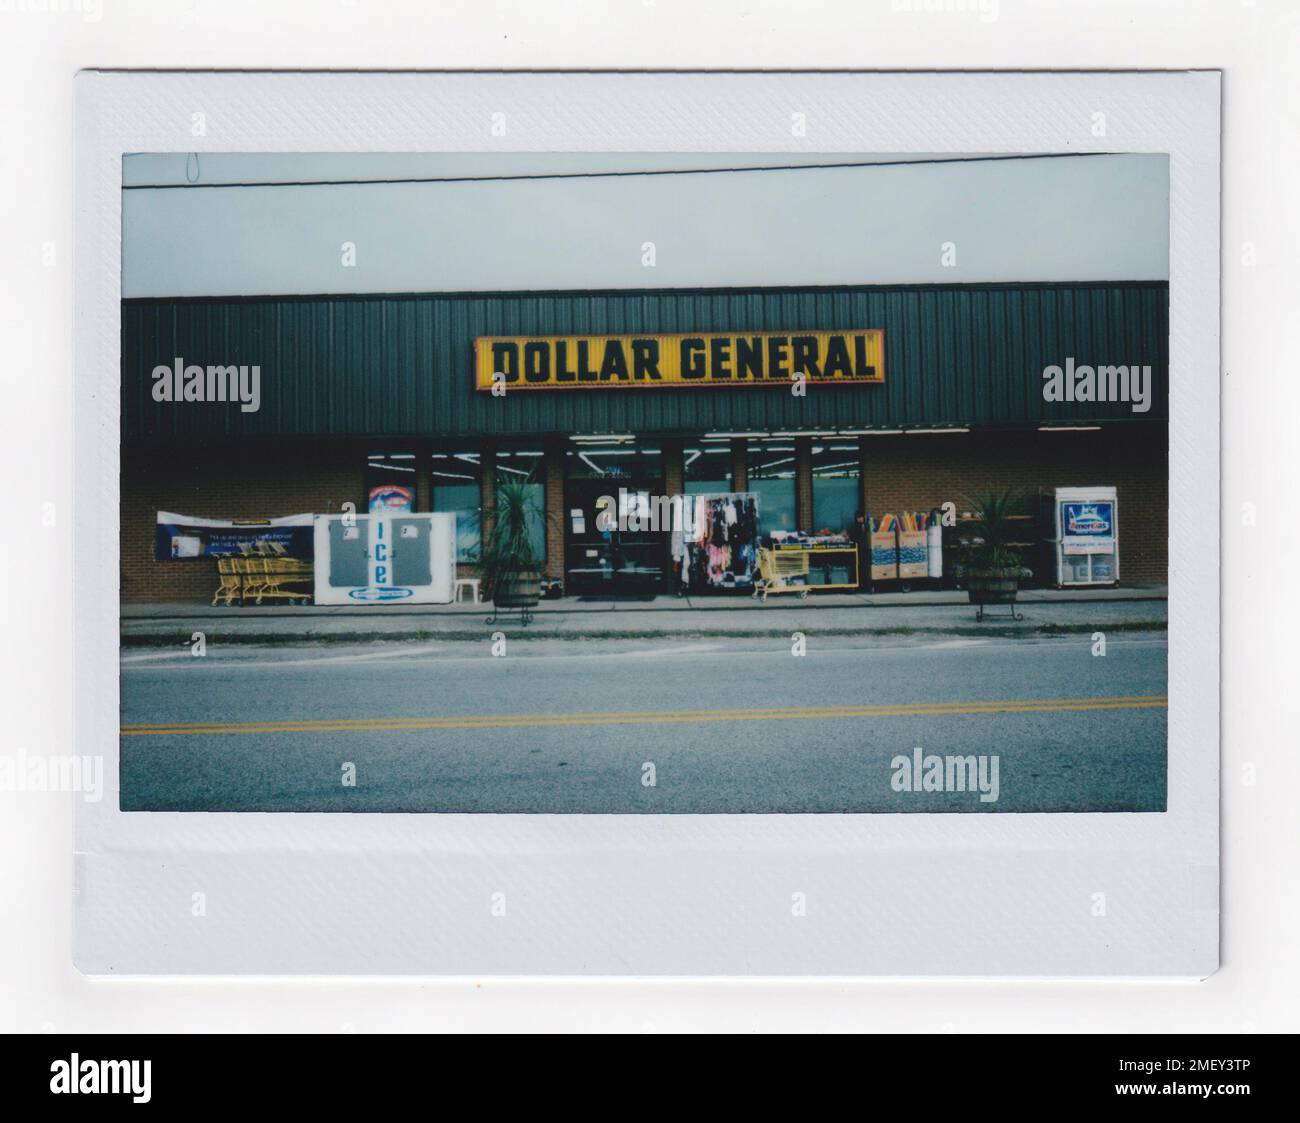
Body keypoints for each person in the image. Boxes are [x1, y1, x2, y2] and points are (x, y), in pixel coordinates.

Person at [850, 511, 869, 591]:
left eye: (861, 517)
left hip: (864, 549)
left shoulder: (866, 525)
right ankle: (858, 584)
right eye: (859, 517)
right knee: (858, 567)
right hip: (858, 549)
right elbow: (854, 537)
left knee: (863, 568)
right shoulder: (855, 526)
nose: (860, 519)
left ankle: (863, 584)